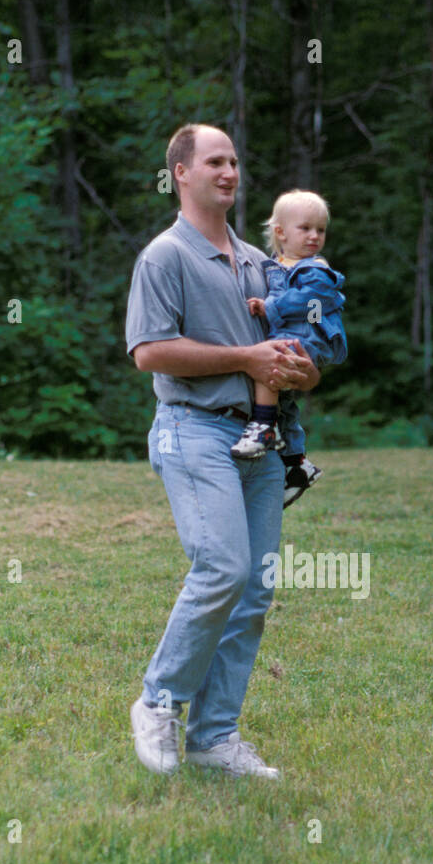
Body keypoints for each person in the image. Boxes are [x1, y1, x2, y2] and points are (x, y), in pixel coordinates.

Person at [125, 123, 320, 778]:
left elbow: (293, 350)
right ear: (181, 172)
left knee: (254, 589)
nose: (229, 171)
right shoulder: (165, 257)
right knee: (223, 567)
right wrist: (245, 356)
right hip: (192, 427)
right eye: (215, 161)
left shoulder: (261, 262)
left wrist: (304, 371)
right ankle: (158, 701)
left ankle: (213, 740)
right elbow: (149, 351)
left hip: (258, 437)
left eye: (235, 160)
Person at [229, 190, 347, 509]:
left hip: (310, 334)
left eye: (320, 230)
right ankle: (296, 463)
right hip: (292, 332)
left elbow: (311, 302)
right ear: (280, 232)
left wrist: (269, 307)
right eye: (305, 228)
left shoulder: (314, 268)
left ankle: (264, 428)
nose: (314, 236)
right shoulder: (277, 264)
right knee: (285, 399)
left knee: (269, 366)